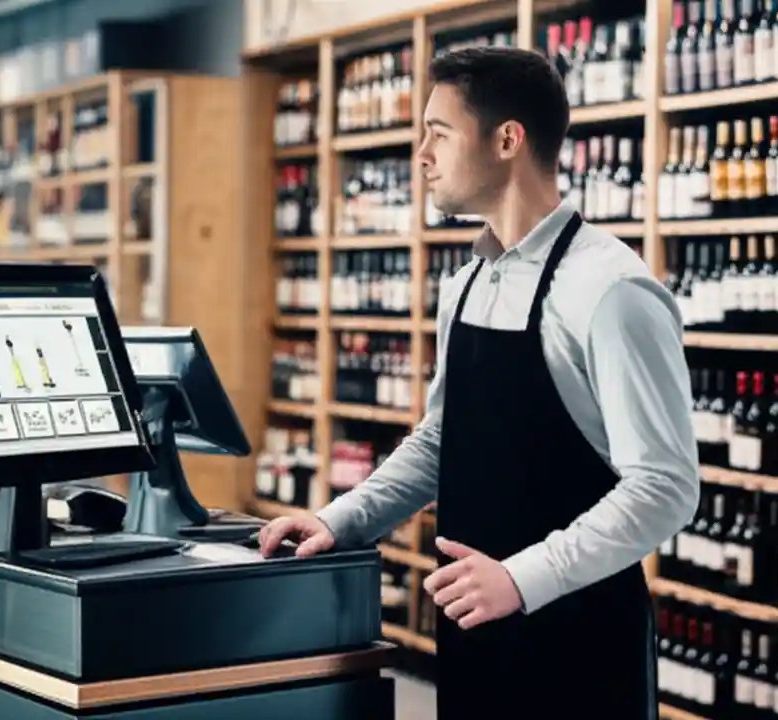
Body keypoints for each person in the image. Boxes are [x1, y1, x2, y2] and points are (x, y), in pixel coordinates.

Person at [258, 46, 699, 719]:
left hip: (576, 645)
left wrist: (522, 579)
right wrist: (339, 520)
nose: (421, 155)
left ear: (506, 140)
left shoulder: (611, 289)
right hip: (473, 624)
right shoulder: (466, 284)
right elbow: (443, 439)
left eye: (438, 132)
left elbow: (665, 486)